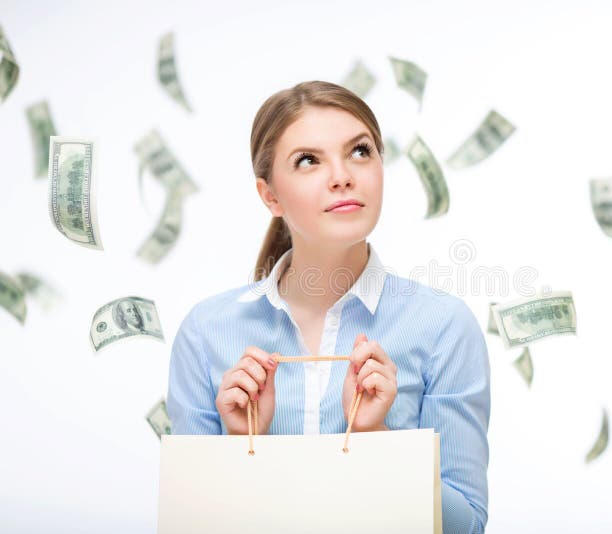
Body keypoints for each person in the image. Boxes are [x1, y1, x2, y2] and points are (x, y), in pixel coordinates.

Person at [166, 80, 491, 533]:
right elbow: (189, 525)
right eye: (308, 160)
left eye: (360, 151)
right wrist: (241, 444)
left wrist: (377, 443)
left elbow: (468, 526)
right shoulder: (206, 332)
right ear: (270, 196)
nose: (342, 175)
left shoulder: (444, 328)